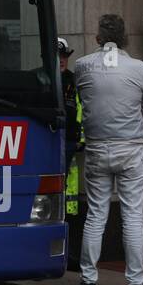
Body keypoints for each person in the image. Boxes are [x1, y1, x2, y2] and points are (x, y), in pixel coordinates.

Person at [71, 14, 143, 285]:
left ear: (98, 38)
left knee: (96, 216)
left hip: (98, 147)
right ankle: (136, 283)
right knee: (133, 216)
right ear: (126, 39)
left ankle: (88, 281)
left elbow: (83, 99)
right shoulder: (140, 68)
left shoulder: (82, 65)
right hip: (131, 147)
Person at [59, 39, 84, 234]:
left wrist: (81, 138)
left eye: (64, 56)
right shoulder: (40, 78)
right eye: (58, 56)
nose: (61, 60)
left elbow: (81, 110)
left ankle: (67, 219)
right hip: (47, 139)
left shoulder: (74, 80)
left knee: (66, 181)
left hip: (69, 140)